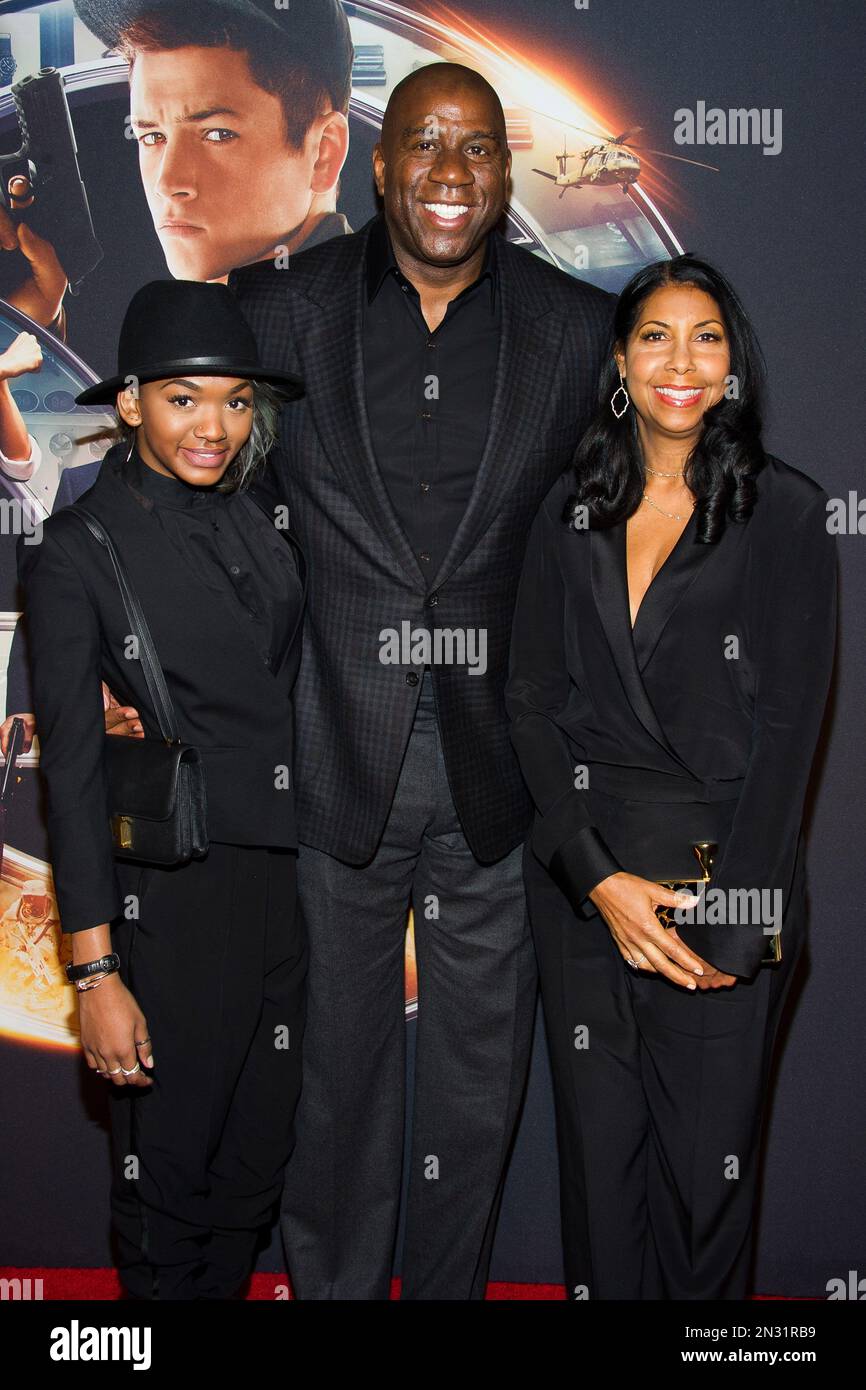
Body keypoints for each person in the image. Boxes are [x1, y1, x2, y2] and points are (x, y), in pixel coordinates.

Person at [226, 61, 616, 1300]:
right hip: (332, 755)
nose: (450, 171)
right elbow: (222, 529)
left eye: (478, 147)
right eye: (424, 143)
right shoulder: (274, 309)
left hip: (496, 774)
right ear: (378, 162)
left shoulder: (573, 330)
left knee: (473, 1082)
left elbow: (602, 548)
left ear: (506, 173)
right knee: (334, 1076)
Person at [505, 254, 837, 1299]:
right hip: (587, 894)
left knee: (703, 1201)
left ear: (732, 365)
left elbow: (789, 737)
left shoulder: (784, 512)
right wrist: (592, 875)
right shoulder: (570, 506)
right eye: (654, 335)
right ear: (618, 360)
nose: (679, 360)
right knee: (599, 1189)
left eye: (704, 337)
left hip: (715, 888)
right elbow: (526, 702)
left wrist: (732, 916)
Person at [11, 279, 310, 1300]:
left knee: (251, 1176)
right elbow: (75, 777)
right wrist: (94, 974)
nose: (214, 425)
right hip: (171, 902)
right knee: (167, 1188)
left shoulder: (264, 515)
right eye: (184, 398)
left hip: (284, 891)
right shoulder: (76, 553)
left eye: (233, 400)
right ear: (131, 403)